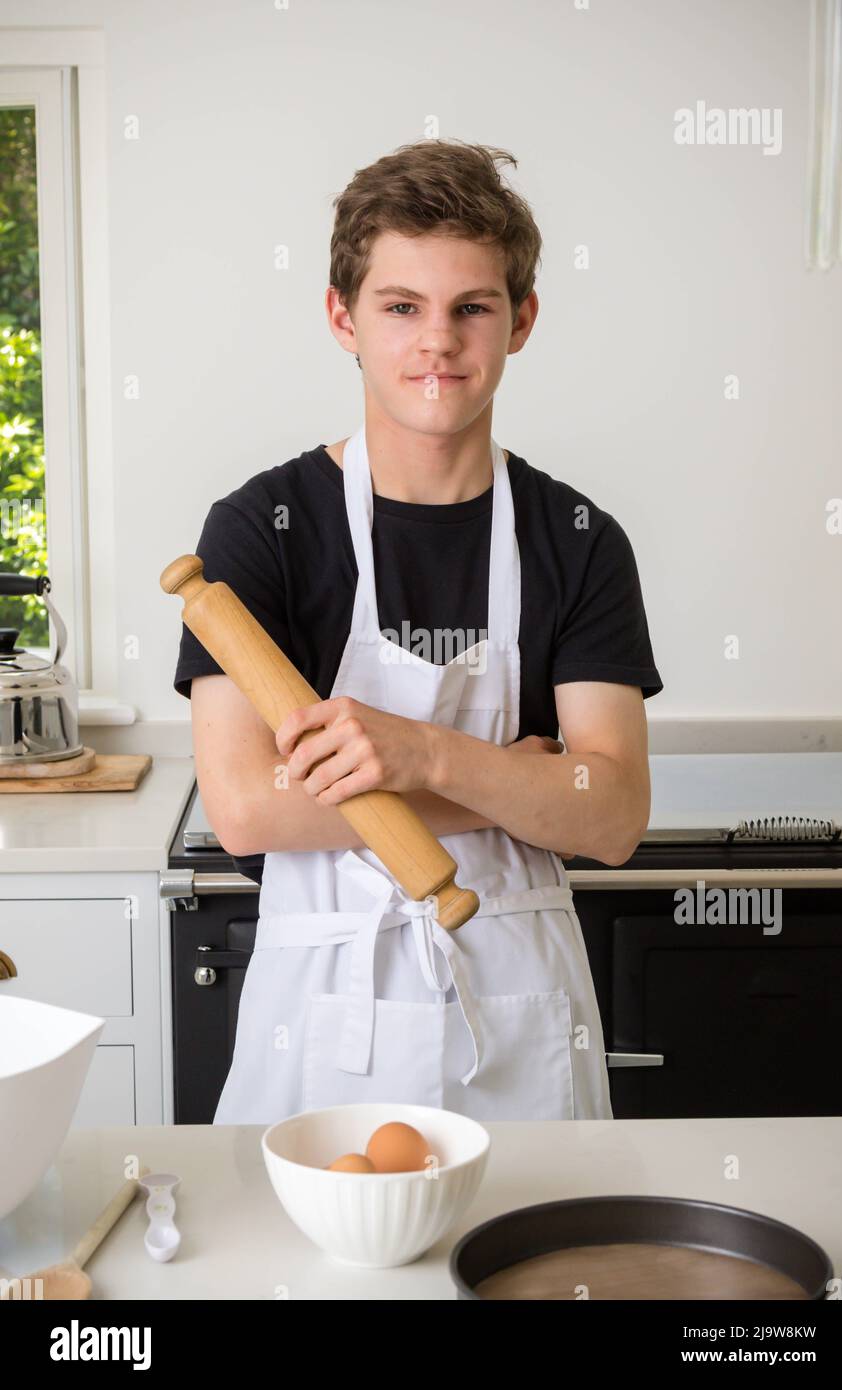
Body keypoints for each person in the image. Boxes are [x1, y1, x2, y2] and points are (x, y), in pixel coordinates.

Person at [173, 138, 663, 1123]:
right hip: (320, 1023)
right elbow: (246, 809)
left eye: (469, 307)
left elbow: (609, 816)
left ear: (518, 321)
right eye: (400, 306)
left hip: (520, 1016)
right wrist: (504, 784)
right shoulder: (262, 528)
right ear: (341, 317)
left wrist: (421, 750)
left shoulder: (576, 540)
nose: (435, 341)